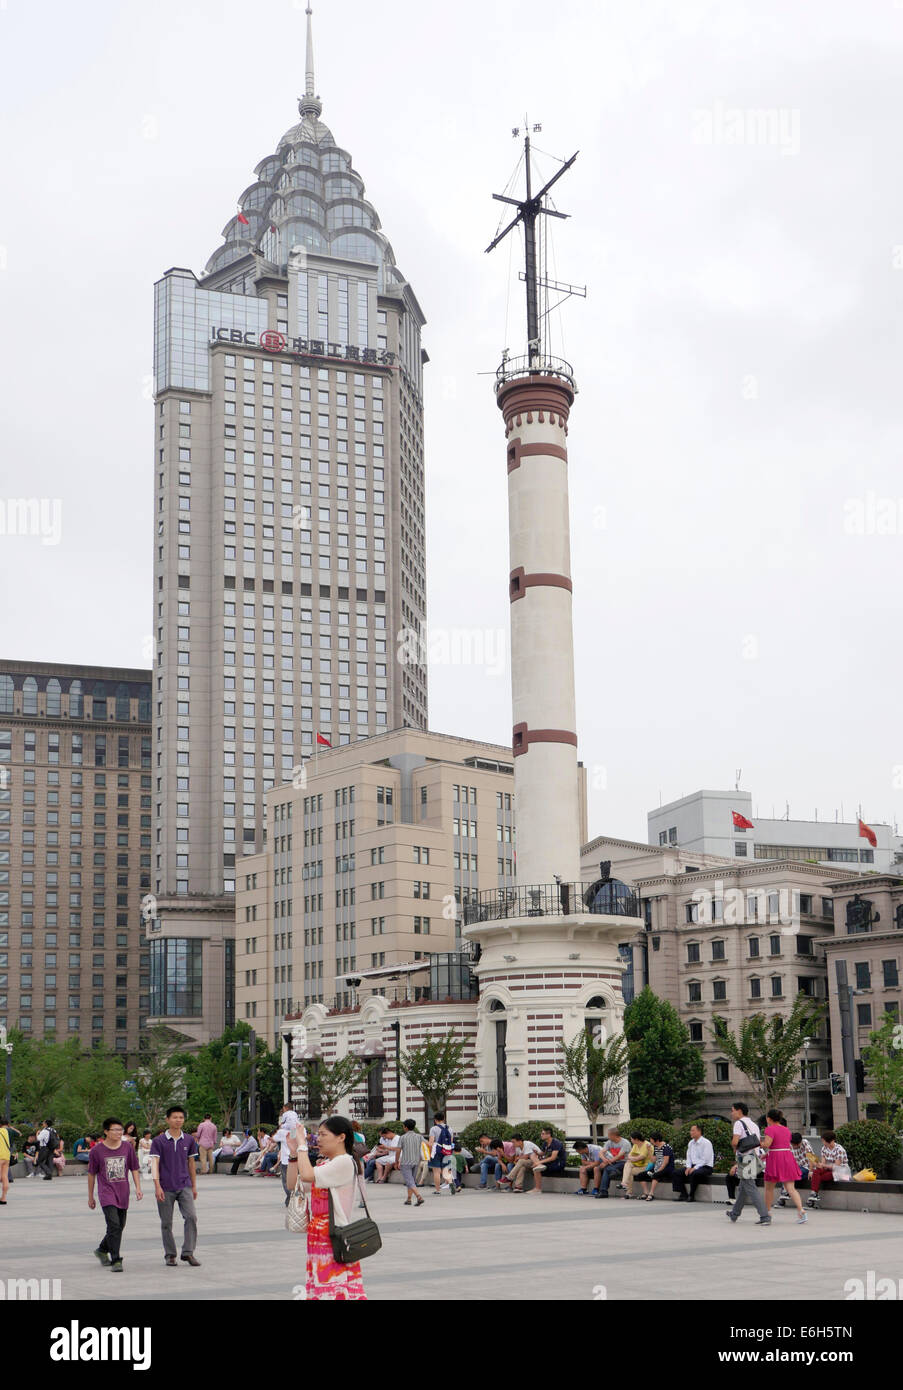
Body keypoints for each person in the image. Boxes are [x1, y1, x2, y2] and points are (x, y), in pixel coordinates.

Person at [286, 1115, 368, 1301]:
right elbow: (293, 1184)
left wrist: (301, 1145)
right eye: (317, 1135)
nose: (318, 1139)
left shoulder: (344, 1162)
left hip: (333, 1235)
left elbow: (306, 1175)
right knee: (322, 1287)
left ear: (341, 1137)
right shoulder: (327, 1164)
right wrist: (293, 1155)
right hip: (320, 1234)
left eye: (323, 1134)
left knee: (332, 1288)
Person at [88, 1117, 143, 1271]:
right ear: (106, 1131)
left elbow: (134, 1168)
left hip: (123, 1192)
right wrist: (90, 1196)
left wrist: (138, 1188)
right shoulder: (96, 1151)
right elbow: (91, 1174)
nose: (119, 1132)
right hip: (106, 1193)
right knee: (114, 1224)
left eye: (120, 1130)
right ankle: (116, 1259)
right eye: (115, 1130)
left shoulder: (127, 1147)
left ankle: (101, 1250)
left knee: (119, 1226)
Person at [150, 1105, 201, 1267]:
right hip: (165, 1186)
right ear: (167, 1119)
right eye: (174, 1117)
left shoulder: (189, 1140)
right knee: (166, 1222)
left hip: (184, 1184)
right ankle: (170, 1254)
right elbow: (154, 1164)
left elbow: (191, 1164)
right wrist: (157, 1186)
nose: (178, 1120)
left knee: (191, 1217)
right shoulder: (159, 1141)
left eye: (181, 1117)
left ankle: (188, 1252)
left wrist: (193, 1186)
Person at [725, 1102, 770, 1227]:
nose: (731, 1113)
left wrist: (734, 1147)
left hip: (745, 1159)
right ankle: (734, 1213)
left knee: (750, 1187)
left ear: (739, 1111)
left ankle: (765, 1216)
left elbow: (735, 1141)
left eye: (732, 1110)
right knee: (743, 1188)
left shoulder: (738, 1124)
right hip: (754, 1157)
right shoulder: (753, 1124)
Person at [761, 1109, 806, 1224]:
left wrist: (757, 1142)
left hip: (775, 1159)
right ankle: (801, 1211)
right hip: (787, 1157)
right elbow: (781, 1145)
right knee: (791, 1188)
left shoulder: (769, 1129)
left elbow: (767, 1144)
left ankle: (767, 1213)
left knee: (769, 1188)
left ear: (769, 1119)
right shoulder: (786, 1129)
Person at [673, 1124, 714, 1201]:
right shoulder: (691, 1143)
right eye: (690, 1130)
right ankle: (683, 1194)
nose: (690, 1132)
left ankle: (691, 1195)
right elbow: (688, 1156)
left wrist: (694, 1168)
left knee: (694, 1173)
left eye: (693, 1130)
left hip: (706, 1167)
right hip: (693, 1166)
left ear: (699, 1131)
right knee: (676, 1173)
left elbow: (705, 1159)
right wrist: (688, 1167)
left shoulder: (706, 1143)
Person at [807, 1130, 848, 1208]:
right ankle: (814, 1193)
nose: (823, 1143)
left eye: (823, 1141)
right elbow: (823, 1163)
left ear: (830, 1141)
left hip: (840, 1171)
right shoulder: (824, 1148)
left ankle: (813, 1196)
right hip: (828, 1169)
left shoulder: (839, 1150)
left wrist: (824, 1165)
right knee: (816, 1172)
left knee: (819, 1178)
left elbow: (836, 1166)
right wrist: (818, 1164)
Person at [274, 1104, 303, 1205]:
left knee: (287, 1180)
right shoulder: (301, 1129)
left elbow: (274, 1138)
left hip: (286, 1159)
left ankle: (291, 1197)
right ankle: (297, 1197)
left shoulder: (282, 1131)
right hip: (299, 1159)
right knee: (298, 1179)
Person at [778, 1133, 815, 1206]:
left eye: (795, 1145)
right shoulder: (790, 1144)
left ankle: (785, 1193)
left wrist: (811, 1171)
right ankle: (785, 1193)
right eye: (793, 1145)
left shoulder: (805, 1144)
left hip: (807, 1167)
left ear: (800, 1142)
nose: (794, 1147)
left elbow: (812, 1159)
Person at [593, 1129, 632, 1198]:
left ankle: (603, 1191)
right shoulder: (609, 1142)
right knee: (607, 1168)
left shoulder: (625, 1143)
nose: (608, 1137)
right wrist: (605, 1160)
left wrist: (607, 1163)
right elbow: (601, 1153)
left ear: (614, 1135)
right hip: (614, 1163)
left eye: (609, 1135)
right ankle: (604, 1190)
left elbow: (619, 1156)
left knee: (607, 1168)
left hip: (625, 1163)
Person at [427, 1112, 457, 1195]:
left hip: (436, 1151)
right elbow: (450, 1142)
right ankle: (450, 1182)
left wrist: (429, 1153)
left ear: (435, 1120)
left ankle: (438, 1190)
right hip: (447, 1151)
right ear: (444, 1119)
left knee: (436, 1171)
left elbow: (431, 1143)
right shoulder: (449, 1129)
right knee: (446, 1170)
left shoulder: (433, 1129)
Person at [398, 1118, 426, 1206]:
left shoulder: (402, 1137)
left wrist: (396, 1161)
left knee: (409, 1181)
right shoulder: (419, 1136)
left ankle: (419, 1196)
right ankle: (409, 1199)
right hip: (416, 1161)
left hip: (406, 1162)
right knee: (412, 1181)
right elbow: (428, 1144)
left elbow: (398, 1150)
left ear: (405, 1127)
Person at [640, 1131, 675, 1200]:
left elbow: (665, 1162)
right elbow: (653, 1160)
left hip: (667, 1168)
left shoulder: (666, 1148)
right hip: (657, 1167)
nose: (650, 1141)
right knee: (641, 1175)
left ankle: (651, 1193)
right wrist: (649, 1150)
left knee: (656, 1175)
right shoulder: (655, 1147)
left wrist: (657, 1171)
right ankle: (645, 1193)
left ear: (657, 1140)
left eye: (651, 1139)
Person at [622, 1131, 655, 1199]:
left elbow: (642, 1157)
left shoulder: (647, 1145)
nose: (630, 1140)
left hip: (646, 1166)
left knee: (629, 1171)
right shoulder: (635, 1145)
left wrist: (633, 1158)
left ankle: (628, 1192)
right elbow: (629, 1155)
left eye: (631, 1139)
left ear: (636, 1139)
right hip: (637, 1164)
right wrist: (633, 1158)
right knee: (628, 1164)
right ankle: (624, 1183)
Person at [0, 1121, 21, 1205]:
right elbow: (19, 1134)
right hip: (6, 1156)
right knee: (4, 1177)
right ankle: (3, 1198)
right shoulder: (6, 1131)